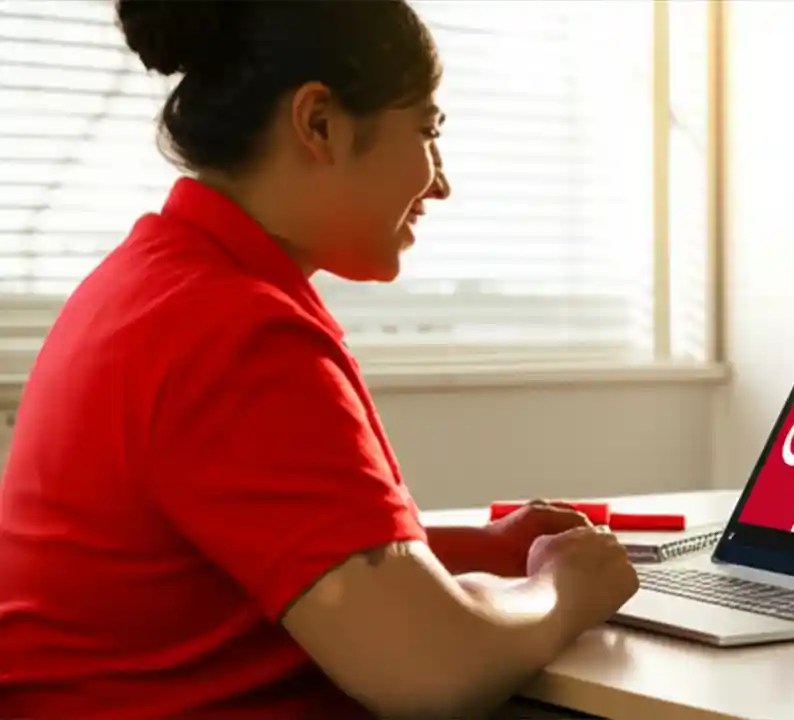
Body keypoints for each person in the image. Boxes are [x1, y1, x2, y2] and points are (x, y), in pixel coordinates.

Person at [0, 1, 639, 718]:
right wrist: (564, 589)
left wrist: (484, 549)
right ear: (319, 123)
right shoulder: (236, 334)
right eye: (427, 131)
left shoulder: (155, 280)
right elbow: (433, 672)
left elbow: (247, 558)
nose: (440, 183)